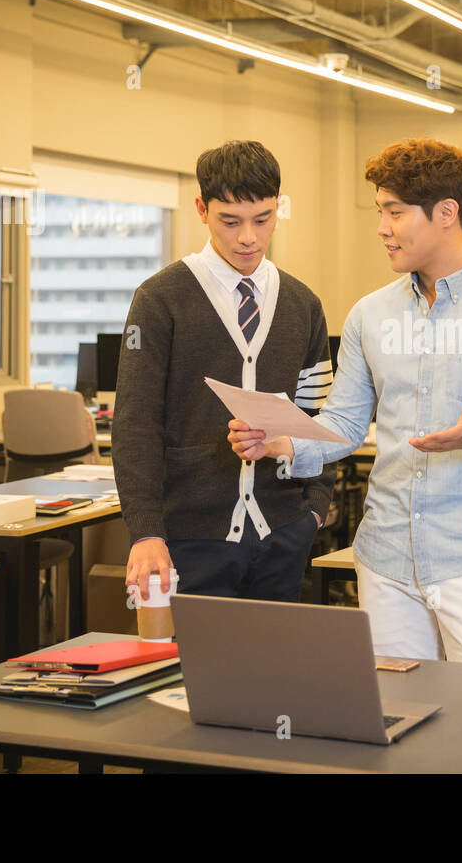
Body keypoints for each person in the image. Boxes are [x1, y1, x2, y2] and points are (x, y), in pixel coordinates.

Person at [228, 137, 462, 665]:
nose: (382, 227)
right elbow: (343, 420)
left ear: (446, 214)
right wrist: (282, 443)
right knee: (399, 722)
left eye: (395, 212)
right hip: (384, 559)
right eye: (380, 211)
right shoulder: (369, 314)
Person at [114, 140, 335, 604]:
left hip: (282, 533)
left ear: (278, 208)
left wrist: (314, 511)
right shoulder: (160, 299)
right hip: (189, 538)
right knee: (194, 674)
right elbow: (135, 424)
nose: (248, 238)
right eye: (230, 221)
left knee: (274, 673)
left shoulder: (303, 304)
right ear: (201, 209)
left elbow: (322, 417)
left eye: (263, 219)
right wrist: (145, 531)